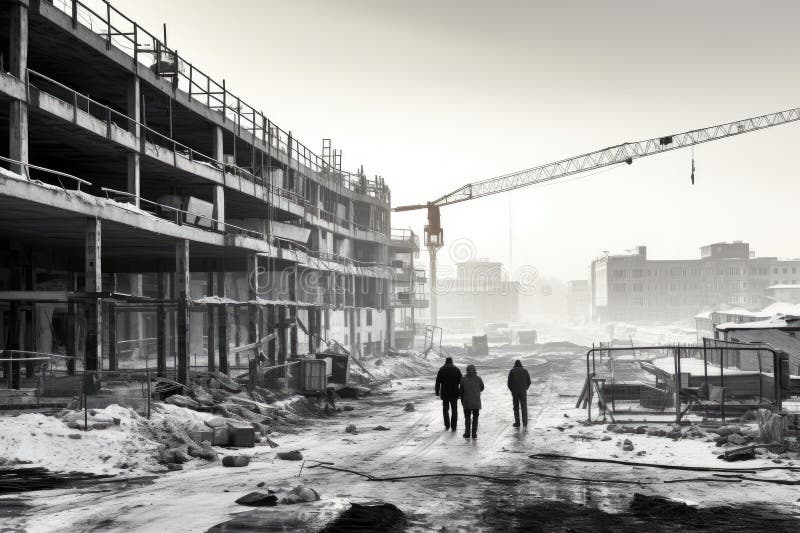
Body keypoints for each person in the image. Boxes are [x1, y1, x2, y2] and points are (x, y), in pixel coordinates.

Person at [435, 357, 463, 432]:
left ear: (446, 361)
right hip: (454, 392)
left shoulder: (442, 369)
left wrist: (437, 391)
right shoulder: (456, 369)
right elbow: (461, 381)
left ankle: (447, 425)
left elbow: (438, 381)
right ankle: (453, 426)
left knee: (445, 409)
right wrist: (461, 392)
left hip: (445, 392)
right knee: (454, 409)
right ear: (452, 361)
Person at [459, 364, 484, 439]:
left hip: (467, 401)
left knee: (467, 418)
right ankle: (474, 434)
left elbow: (461, 391)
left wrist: (462, 399)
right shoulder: (478, 379)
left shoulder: (463, 379)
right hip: (476, 401)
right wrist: (476, 391)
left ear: (467, 371)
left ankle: (467, 433)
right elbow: (482, 388)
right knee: (475, 418)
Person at [507, 359, 532, 427]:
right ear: (521, 364)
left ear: (515, 364)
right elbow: (529, 382)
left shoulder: (512, 371)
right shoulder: (525, 371)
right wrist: (525, 389)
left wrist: (512, 390)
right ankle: (525, 423)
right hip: (523, 392)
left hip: (515, 393)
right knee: (524, 407)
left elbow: (509, 383)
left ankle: (517, 423)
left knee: (516, 408)